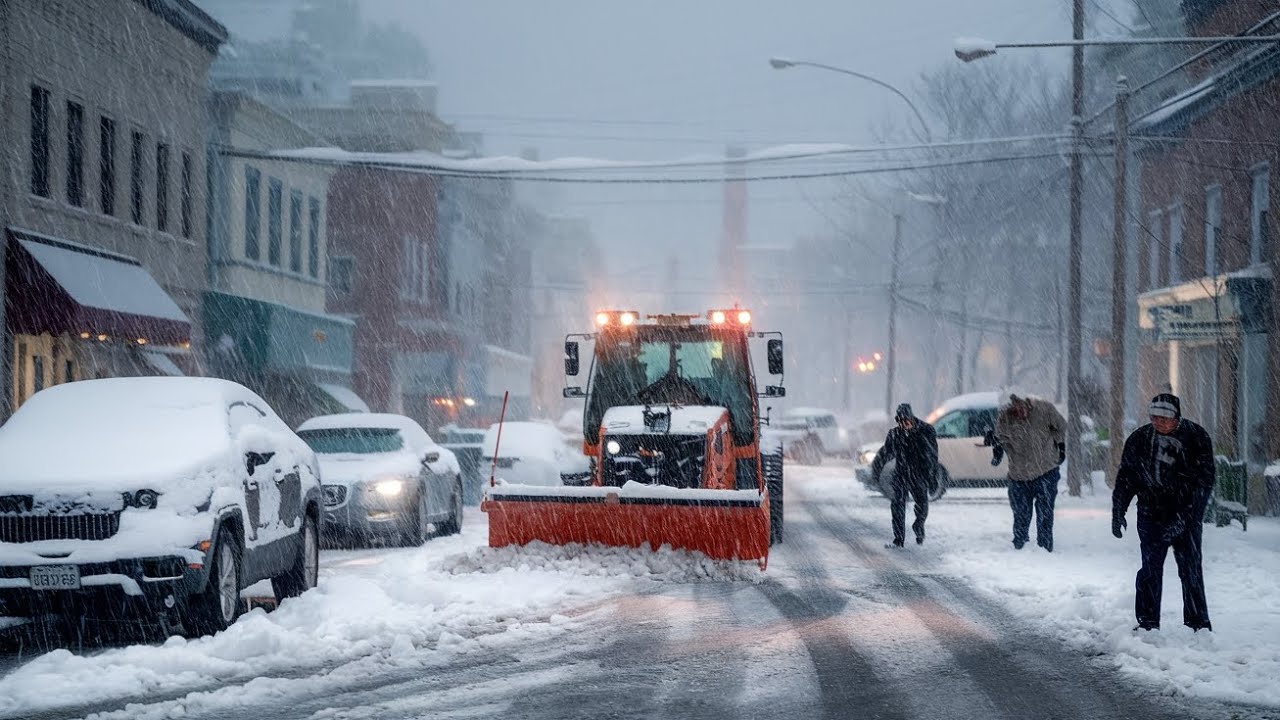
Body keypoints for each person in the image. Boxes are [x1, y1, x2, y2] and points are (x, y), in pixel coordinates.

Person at [1112, 393, 1216, 632]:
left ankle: (1198, 624)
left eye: (1164, 418)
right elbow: (1126, 478)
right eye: (1154, 417)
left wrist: (1186, 518)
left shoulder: (1197, 437)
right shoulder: (1139, 439)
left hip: (1186, 514)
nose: (1158, 422)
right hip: (1151, 513)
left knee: (1190, 570)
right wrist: (1118, 511)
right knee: (1150, 569)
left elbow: (1204, 482)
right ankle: (1148, 623)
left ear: (1176, 417)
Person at [991, 391, 1066, 552]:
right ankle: (1020, 547)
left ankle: (1045, 548)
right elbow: (999, 437)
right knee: (1020, 514)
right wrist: (997, 450)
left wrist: (1060, 445)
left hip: (1045, 470)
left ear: (1027, 403)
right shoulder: (1005, 418)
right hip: (1018, 474)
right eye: (1014, 409)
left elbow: (1061, 426)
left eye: (1021, 406)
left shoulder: (1045, 409)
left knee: (1045, 513)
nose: (1019, 412)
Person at [870, 403, 938, 548]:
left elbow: (932, 456)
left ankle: (918, 526)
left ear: (911, 418)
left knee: (922, 505)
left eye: (906, 421)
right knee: (897, 505)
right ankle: (899, 538)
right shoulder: (895, 434)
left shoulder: (926, 431)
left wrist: (932, 477)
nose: (904, 425)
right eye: (900, 422)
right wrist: (876, 472)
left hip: (919, 474)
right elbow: (884, 454)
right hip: (901, 474)